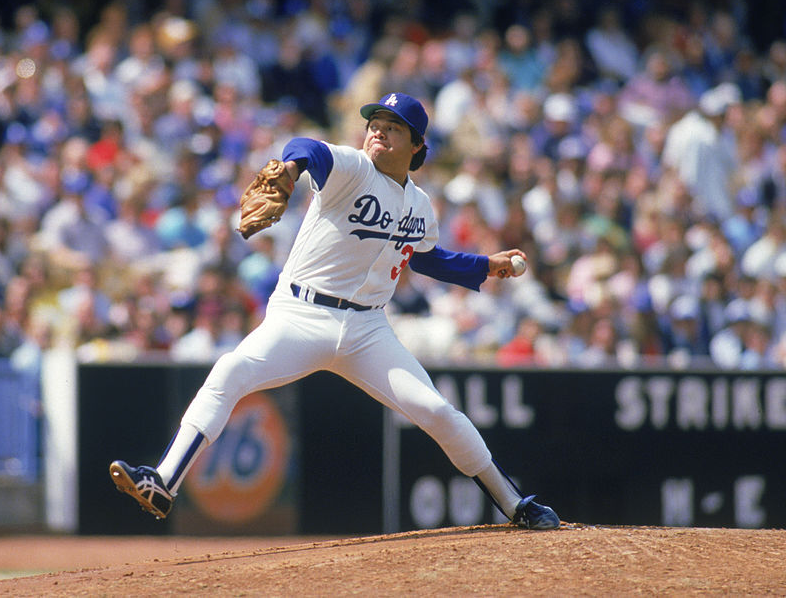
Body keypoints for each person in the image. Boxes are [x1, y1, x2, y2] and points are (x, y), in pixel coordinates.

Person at [110, 93, 560, 530]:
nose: (378, 132)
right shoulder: (352, 167)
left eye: (393, 127)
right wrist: (290, 169)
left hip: (368, 329)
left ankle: (514, 503)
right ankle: (164, 481)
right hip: (300, 315)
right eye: (374, 124)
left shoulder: (420, 205)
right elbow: (307, 147)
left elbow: (425, 258)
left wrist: (486, 266)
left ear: (417, 144)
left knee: (438, 411)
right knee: (232, 370)